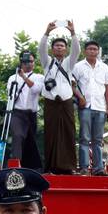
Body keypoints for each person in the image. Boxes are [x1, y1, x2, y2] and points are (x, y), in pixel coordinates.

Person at [39, 22, 81, 174]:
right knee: (50, 134)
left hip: (66, 103)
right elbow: (41, 49)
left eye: (62, 46)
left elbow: (77, 50)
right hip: (51, 103)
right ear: (52, 49)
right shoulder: (47, 62)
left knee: (69, 133)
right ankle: (50, 167)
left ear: (66, 49)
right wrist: (47, 32)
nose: (59, 47)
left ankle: (69, 167)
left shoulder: (69, 63)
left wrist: (73, 33)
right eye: (56, 46)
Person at [72, 40, 108, 175]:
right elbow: (72, 85)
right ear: (85, 51)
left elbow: (107, 89)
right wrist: (80, 97)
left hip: (100, 107)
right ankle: (84, 167)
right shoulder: (78, 66)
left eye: (95, 49)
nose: (92, 51)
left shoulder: (104, 67)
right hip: (85, 106)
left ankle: (98, 168)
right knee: (84, 138)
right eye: (89, 49)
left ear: (98, 51)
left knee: (98, 139)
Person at [5, 51, 44, 170]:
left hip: (31, 114)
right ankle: (15, 165)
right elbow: (11, 94)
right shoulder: (13, 78)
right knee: (18, 136)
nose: (28, 64)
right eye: (26, 61)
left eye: (31, 61)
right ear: (21, 62)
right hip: (17, 113)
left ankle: (29, 168)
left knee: (30, 141)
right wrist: (20, 77)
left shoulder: (39, 77)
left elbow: (36, 89)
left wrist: (24, 77)